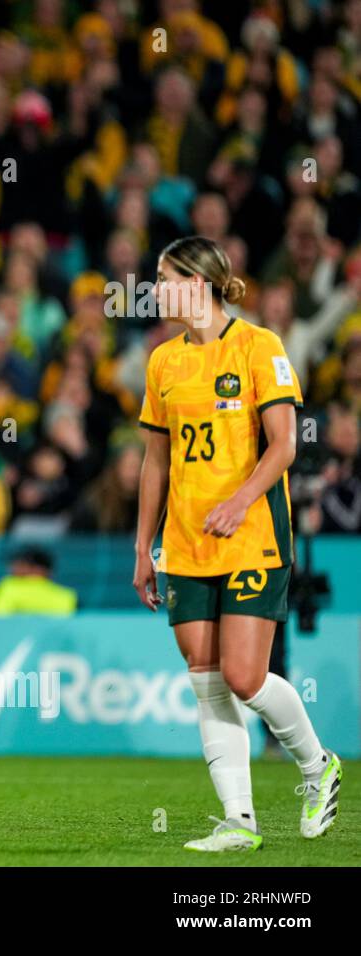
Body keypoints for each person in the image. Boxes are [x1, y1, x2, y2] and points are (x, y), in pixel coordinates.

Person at [133, 235, 341, 852]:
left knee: (245, 676)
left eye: (165, 278)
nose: (155, 289)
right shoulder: (163, 362)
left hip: (252, 536)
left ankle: (316, 766)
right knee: (206, 678)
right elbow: (154, 462)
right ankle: (239, 822)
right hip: (186, 544)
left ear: (197, 282)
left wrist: (240, 500)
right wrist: (143, 546)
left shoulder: (259, 346)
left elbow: (284, 444)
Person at [0, 546, 77, 616]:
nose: (13, 570)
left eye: (21, 565)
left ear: (40, 569)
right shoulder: (68, 596)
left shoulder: (7, 586)